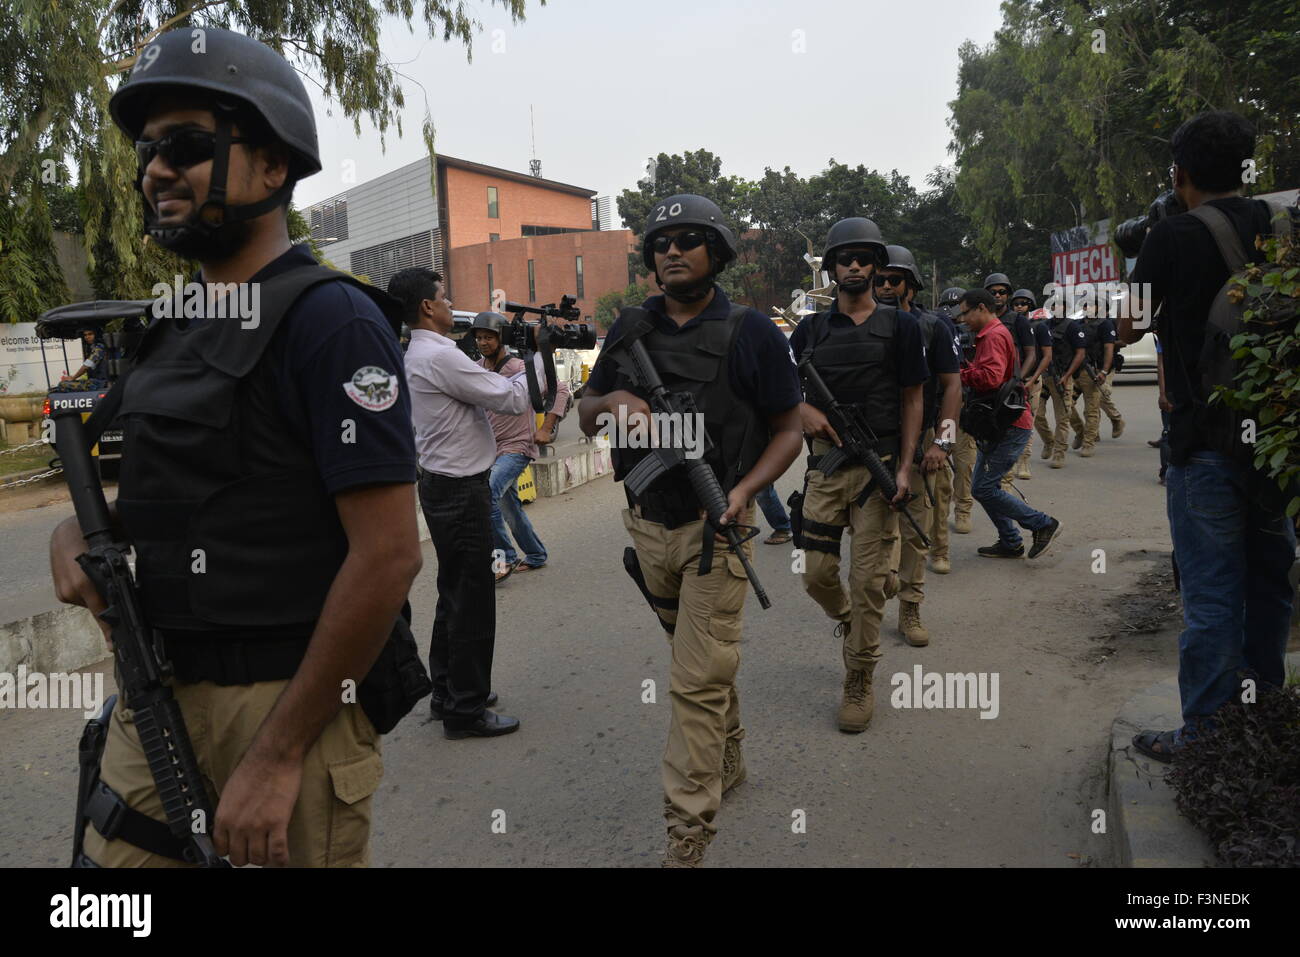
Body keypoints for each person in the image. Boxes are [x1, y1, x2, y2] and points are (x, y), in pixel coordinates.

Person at [49, 28, 423, 867]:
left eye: (184, 144)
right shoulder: (169, 327)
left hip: (289, 703)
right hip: (158, 691)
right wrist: (78, 532)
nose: (155, 171)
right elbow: (174, 500)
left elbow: (389, 555)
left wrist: (280, 752)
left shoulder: (334, 321)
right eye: (147, 151)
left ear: (272, 166)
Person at [577, 194, 802, 868]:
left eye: (688, 239)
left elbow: (788, 431)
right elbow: (586, 415)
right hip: (648, 525)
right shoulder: (628, 330)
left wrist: (743, 491)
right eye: (661, 242)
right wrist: (615, 400)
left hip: (715, 528)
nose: (672, 250)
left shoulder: (753, 333)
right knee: (692, 654)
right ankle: (727, 749)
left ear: (717, 253)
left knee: (694, 681)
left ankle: (687, 832)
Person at [1118, 110, 1296, 761]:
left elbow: (1126, 331)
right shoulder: (1281, 227)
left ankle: (1206, 735)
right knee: (1272, 579)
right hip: (1277, 446)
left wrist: (1140, 255)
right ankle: (1265, 708)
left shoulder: (1172, 237)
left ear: (1180, 172)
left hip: (1205, 445)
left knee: (1213, 592)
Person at [788, 218, 929, 733]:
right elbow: (783, 392)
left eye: (862, 258)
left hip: (880, 470)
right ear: (831, 267)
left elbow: (914, 398)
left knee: (869, 581)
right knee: (816, 575)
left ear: (875, 265)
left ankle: (859, 676)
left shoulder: (902, 327)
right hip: (825, 470)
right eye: (843, 258)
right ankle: (849, 621)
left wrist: (907, 466)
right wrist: (803, 412)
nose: (852, 265)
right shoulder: (809, 329)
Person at [392, 269, 525, 739]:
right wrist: (529, 360)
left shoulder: (421, 354)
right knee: (472, 601)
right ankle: (465, 710)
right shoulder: (440, 357)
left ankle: (449, 690)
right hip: (461, 488)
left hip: (441, 484)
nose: (451, 305)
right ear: (427, 307)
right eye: (444, 298)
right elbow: (510, 399)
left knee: (454, 594)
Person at [875, 245, 961, 641]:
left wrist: (942, 443)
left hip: (922, 437)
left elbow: (951, 385)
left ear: (912, 284)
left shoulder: (934, 326)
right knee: (874, 530)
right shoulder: (859, 324)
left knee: (915, 530)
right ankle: (877, 592)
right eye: (880, 280)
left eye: (895, 280)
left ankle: (910, 609)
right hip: (872, 442)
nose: (886, 287)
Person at [956, 290, 1061, 559]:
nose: (964, 319)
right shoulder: (995, 332)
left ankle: (1042, 523)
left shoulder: (992, 335)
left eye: (966, 312)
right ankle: (1010, 541)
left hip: (1010, 424)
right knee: (984, 486)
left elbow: (990, 378)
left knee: (983, 487)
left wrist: (959, 374)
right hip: (1001, 422)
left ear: (981, 308)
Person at [471, 311, 569, 582]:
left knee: (488, 492)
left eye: (488, 337)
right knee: (509, 506)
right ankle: (536, 554)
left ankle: (504, 558)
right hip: (489, 450)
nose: (483, 342)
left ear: (501, 338)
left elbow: (560, 390)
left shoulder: (519, 367)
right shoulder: (477, 369)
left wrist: (546, 428)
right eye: (479, 337)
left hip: (518, 446)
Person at [940, 287, 979, 537]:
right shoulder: (937, 329)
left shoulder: (978, 334)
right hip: (943, 410)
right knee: (940, 467)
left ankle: (963, 510)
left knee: (964, 465)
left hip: (966, 408)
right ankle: (939, 515)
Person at [1074, 301, 1126, 455]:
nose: (1087, 308)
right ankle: (1090, 433)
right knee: (1078, 402)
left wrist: (1106, 342)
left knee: (1101, 397)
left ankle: (1116, 419)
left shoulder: (1109, 323)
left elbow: (1124, 342)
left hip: (1105, 366)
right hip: (1085, 367)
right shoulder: (1079, 324)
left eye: (1091, 305)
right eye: (1085, 305)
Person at [1038, 308, 1087, 468]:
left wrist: (1067, 376)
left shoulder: (1072, 326)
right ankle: (1049, 441)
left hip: (1063, 377)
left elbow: (1080, 353)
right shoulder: (1044, 325)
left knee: (1063, 418)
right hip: (1045, 377)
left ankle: (1059, 453)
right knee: (1036, 414)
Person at [1006, 290, 1041, 480]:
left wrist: (1029, 377)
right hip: (1008, 381)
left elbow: (1039, 355)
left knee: (1026, 421)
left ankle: (1024, 460)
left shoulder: (1039, 327)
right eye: (1017, 303)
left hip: (1029, 380)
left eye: (1024, 303)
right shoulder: (1004, 323)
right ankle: (1009, 461)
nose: (1019, 306)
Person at [985, 273, 1037, 379]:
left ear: (1008, 294)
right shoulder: (982, 320)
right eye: (993, 292)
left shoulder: (1019, 320)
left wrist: (1018, 380)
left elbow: (1031, 355)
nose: (997, 295)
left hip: (1011, 379)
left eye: (1002, 292)